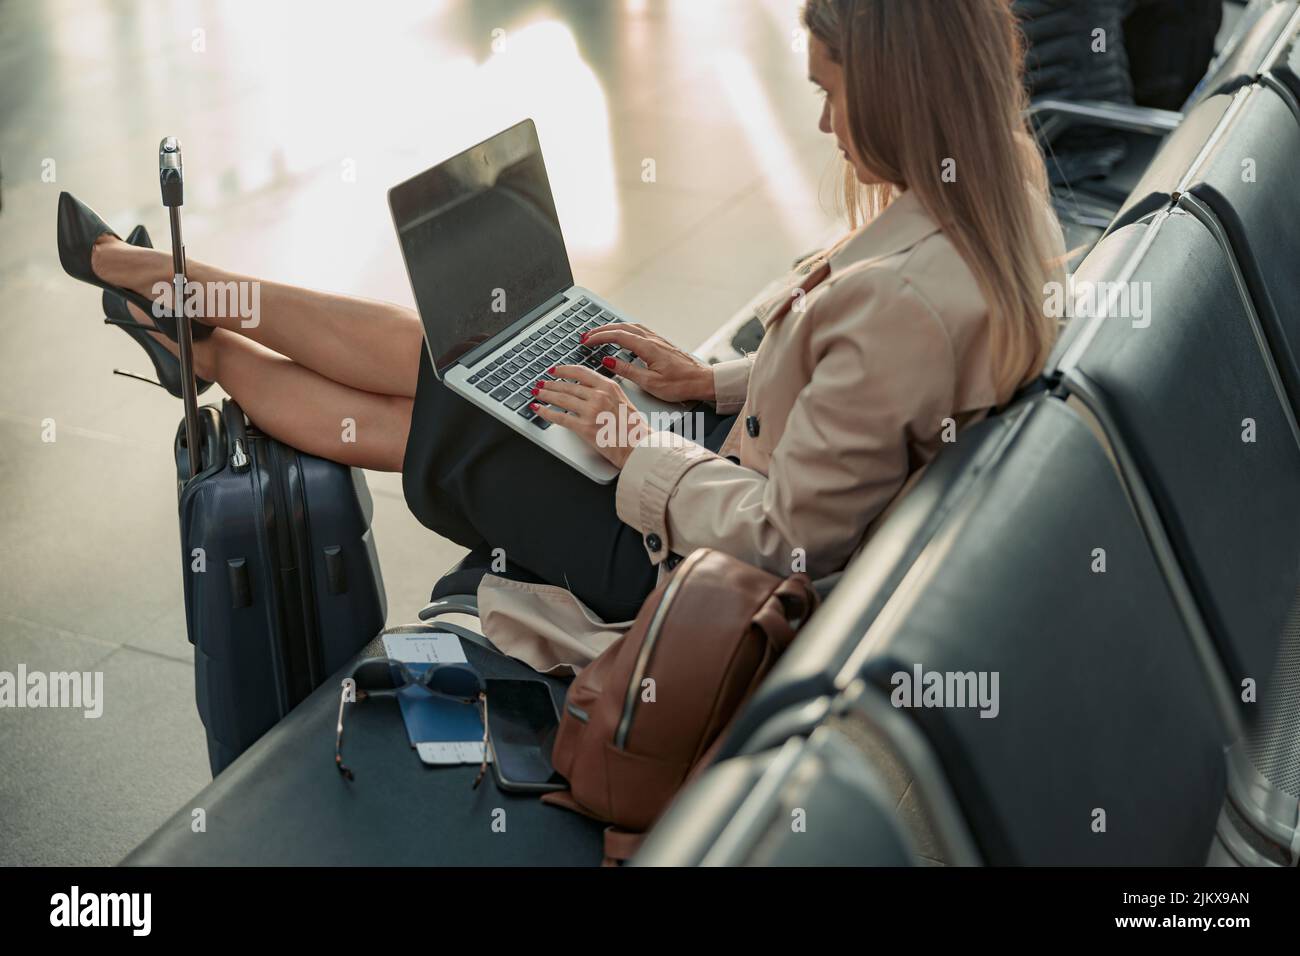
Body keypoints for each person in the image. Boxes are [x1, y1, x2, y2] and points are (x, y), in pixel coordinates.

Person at [56, 0, 1066, 668]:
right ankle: (170, 302)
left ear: (899, 89)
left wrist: (636, 442)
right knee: (461, 359)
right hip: (713, 462)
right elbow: (859, 398)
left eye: (827, 94)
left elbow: (785, 538)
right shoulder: (1005, 191)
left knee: (440, 388)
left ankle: (177, 312)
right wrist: (707, 381)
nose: (820, 124)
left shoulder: (904, 303)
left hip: (675, 562)